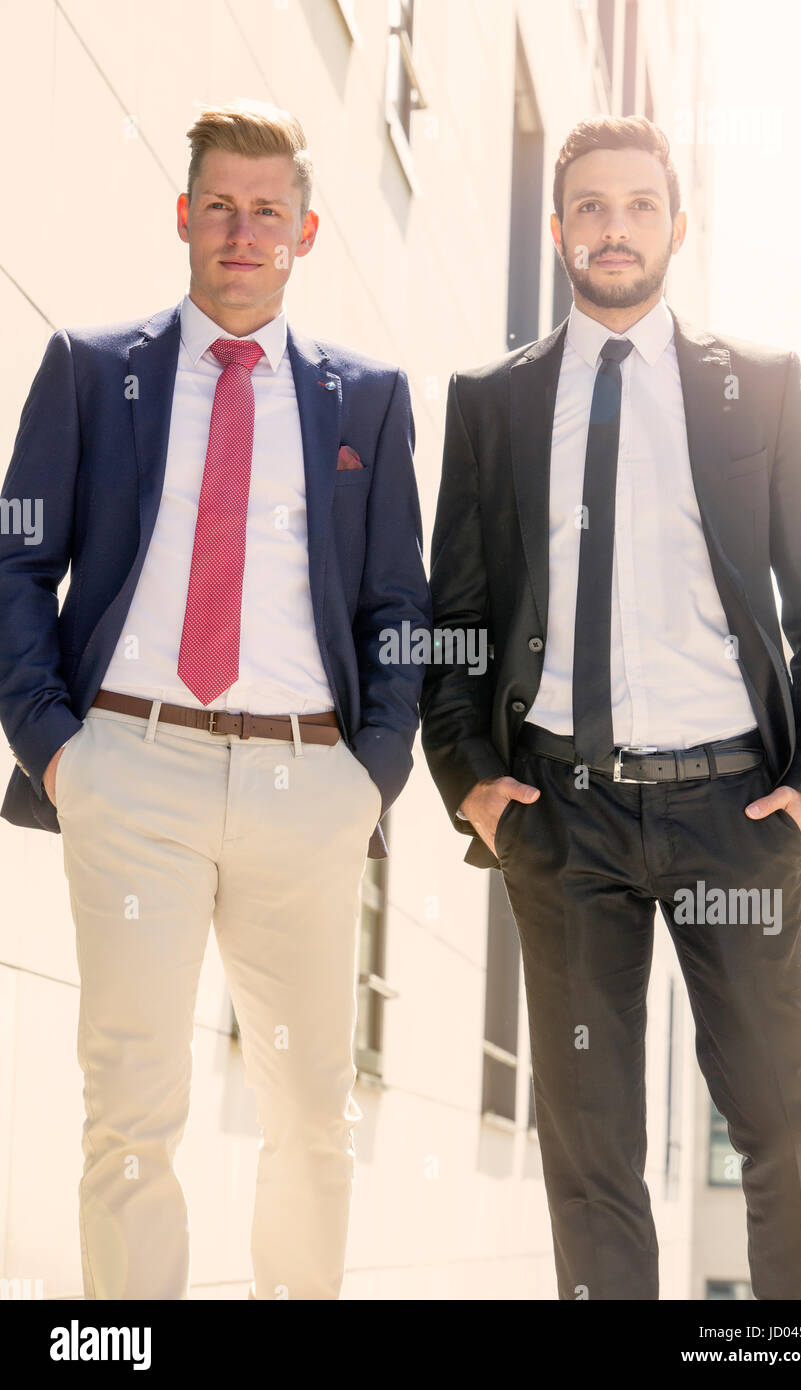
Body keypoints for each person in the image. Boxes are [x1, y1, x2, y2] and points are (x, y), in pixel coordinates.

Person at [420, 115, 801, 1300]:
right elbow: (453, 617)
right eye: (588, 207)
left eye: (636, 205)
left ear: (676, 222)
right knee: (589, 1151)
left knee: (777, 1123)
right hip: (560, 822)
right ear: (558, 225)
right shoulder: (492, 401)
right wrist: (471, 784)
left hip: (733, 805)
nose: (612, 228)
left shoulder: (754, 390)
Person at [0, 98, 431, 1301]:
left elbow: (400, 601)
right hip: (130, 773)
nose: (244, 233)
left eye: (269, 212)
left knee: (310, 1117)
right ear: (184, 215)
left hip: (309, 788)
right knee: (131, 1111)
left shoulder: (366, 398)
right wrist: (55, 747)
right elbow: (17, 558)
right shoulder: (92, 373)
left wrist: (373, 776)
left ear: (305, 231)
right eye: (223, 209)